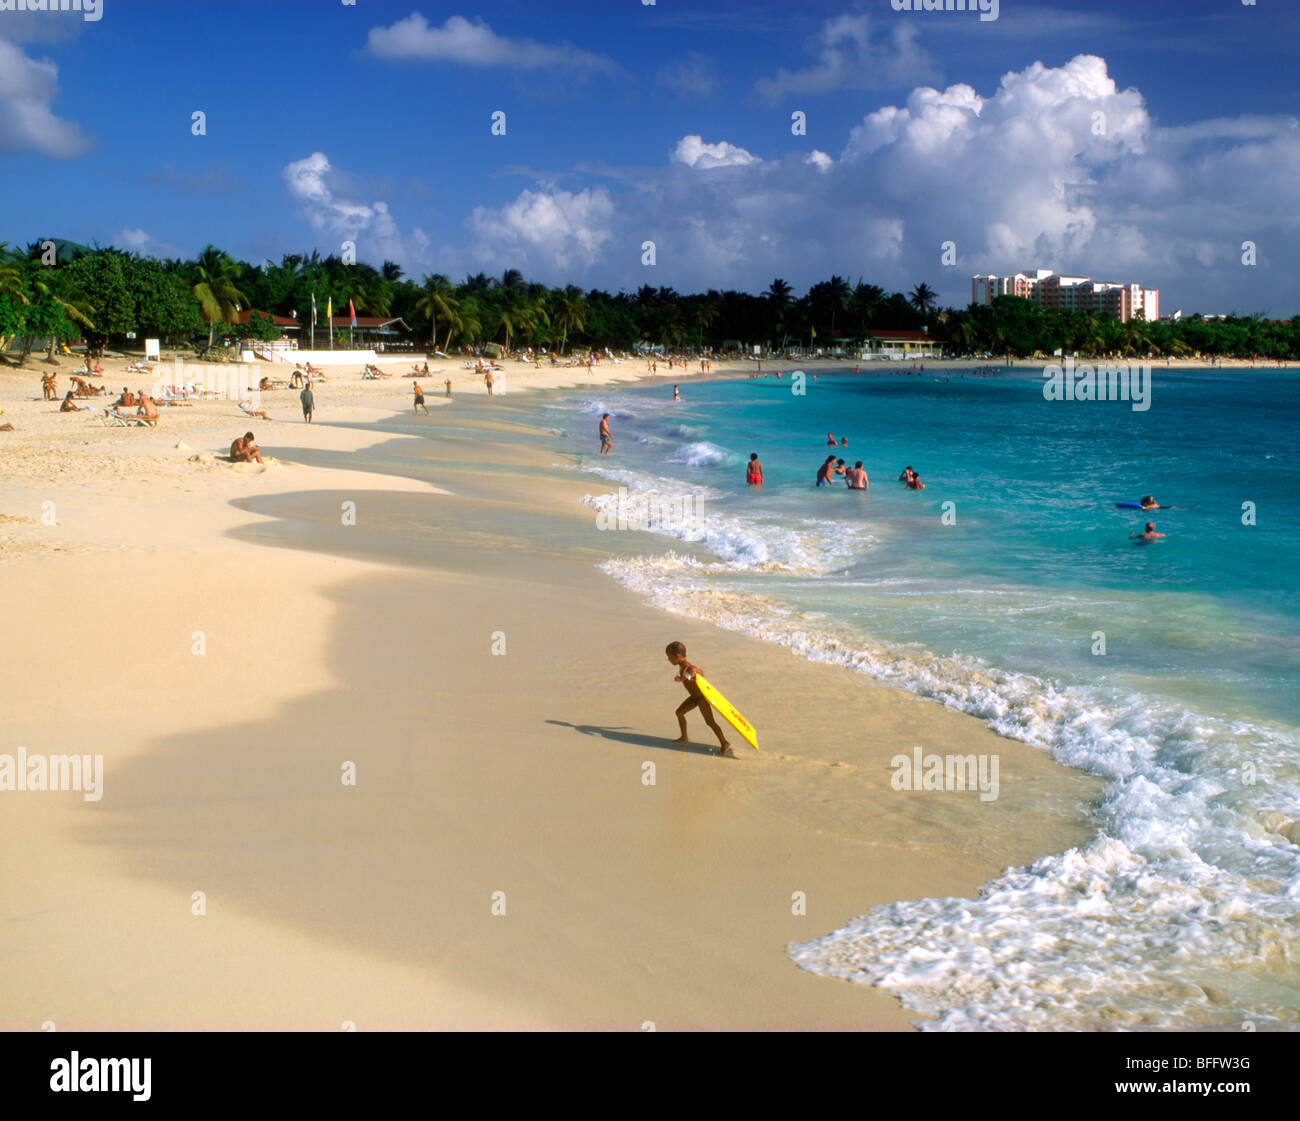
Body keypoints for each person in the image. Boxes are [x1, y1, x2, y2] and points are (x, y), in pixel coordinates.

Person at [665, 641, 731, 756]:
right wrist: (682, 678)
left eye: (669, 657)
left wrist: (685, 677)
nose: (668, 659)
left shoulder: (687, 666)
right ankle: (684, 737)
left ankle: (724, 742)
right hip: (694, 698)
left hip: (701, 699)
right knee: (679, 712)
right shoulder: (682, 667)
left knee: (710, 722)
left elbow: (696, 670)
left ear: (678, 655)